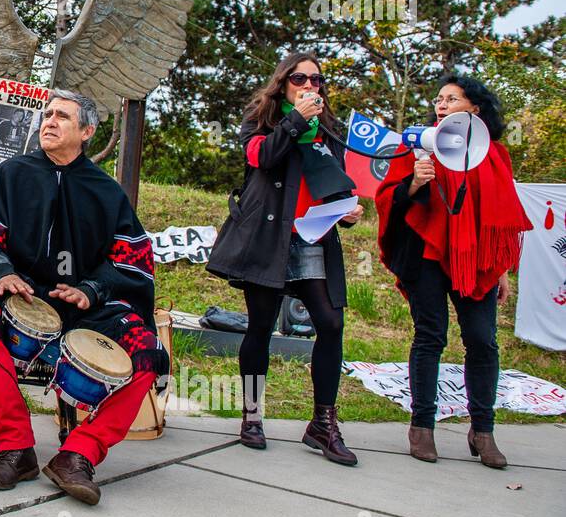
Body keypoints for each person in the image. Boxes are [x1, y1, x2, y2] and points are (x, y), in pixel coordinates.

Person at [0, 90, 163, 506]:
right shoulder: (12, 174)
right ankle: (16, 449)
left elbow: (133, 259)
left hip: (88, 304)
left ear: (85, 131)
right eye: (47, 114)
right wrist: (1, 269)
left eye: (62, 117)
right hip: (23, 291)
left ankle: (79, 454)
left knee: (148, 353)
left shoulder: (107, 191)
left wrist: (92, 288)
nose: (49, 121)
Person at [206, 52, 364, 466]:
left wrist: (346, 210)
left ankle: (323, 424)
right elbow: (263, 158)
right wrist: (296, 119)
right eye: (300, 78)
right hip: (268, 236)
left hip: (313, 236)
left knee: (331, 323)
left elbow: (333, 182)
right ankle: (253, 414)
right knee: (260, 326)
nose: (310, 85)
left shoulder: (330, 131)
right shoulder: (261, 120)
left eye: (316, 80)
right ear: (283, 83)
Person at [375, 74, 530, 468]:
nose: (441, 105)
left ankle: (483, 430)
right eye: (439, 99)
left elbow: (500, 218)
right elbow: (386, 197)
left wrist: (501, 272)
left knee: (483, 341)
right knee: (431, 336)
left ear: (474, 109)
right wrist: (413, 183)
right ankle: (421, 426)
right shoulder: (417, 147)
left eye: (452, 99)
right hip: (426, 254)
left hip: (476, 259)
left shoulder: (494, 154)